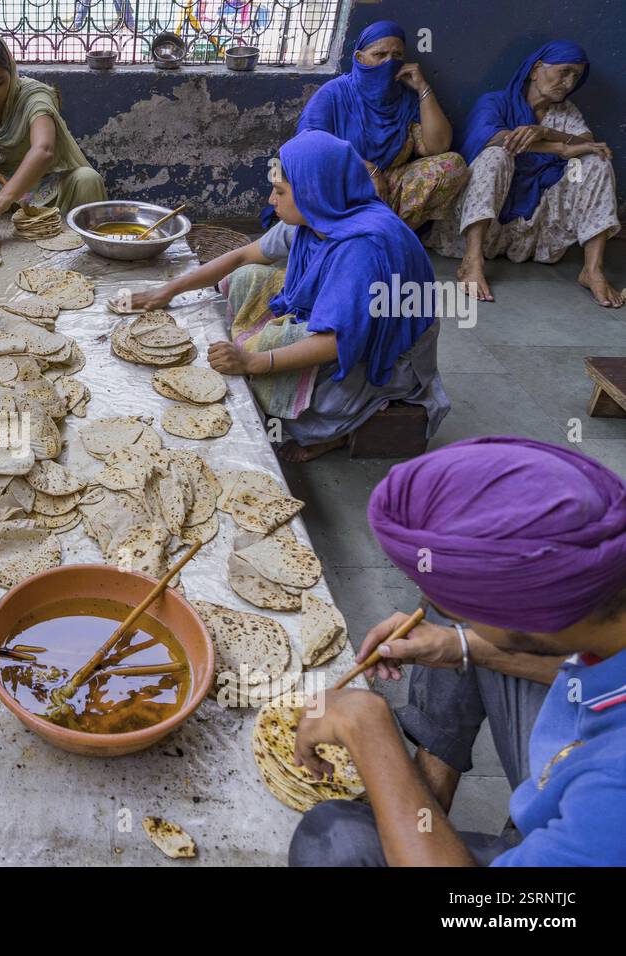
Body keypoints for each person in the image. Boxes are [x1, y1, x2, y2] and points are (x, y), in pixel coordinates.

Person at [289, 437, 626, 866]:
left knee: (336, 839)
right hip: (577, 761)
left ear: (526, 613)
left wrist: (369, 730)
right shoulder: (609, 572)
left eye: (439, 602)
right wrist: (459, 644)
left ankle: (422, 825)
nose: (424, 606)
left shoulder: (615, 791)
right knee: (451, 633)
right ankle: (430, 798)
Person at [194, 131, 450, 462]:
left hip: (385, 353)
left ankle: (342, 425)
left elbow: (335, 342)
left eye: (280, 191)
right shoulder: (324, 212)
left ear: (311, 192)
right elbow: (243, 256)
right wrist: (165, 291)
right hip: (347, 314)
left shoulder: (362, 249)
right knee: (246, 278)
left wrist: (253, 362)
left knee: (273, 354)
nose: (272, 200)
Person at [427, 41, 621, 307]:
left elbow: (586, 141)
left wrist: (546, 132)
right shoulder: (496, 102)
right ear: (536, 69)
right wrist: (558, 148)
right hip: (486, 220)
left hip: (537, 225)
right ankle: (472, 261)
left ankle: (592, 269)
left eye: (575, 76)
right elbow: (496, 138)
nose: (569, 82)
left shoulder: (565, 112)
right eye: (564, 72)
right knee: (496, 154)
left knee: (596, 161)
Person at [297, 20, 466, 231]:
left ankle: (382, 230)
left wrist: (423, 88)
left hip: (389, 189)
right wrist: (367, 169)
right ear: (360, 58)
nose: (389, 62)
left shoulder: (404, 99)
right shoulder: (335, 93)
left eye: (397, 56)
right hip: (342, 183)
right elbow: (307, 142)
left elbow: (437, 146)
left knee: (453, 164)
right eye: (379, 55)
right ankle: (360, 231)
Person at [0, 33, 107, 229]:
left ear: (11, 71)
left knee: (88, 180)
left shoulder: (35, 96)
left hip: (46, 190)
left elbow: (44, 149)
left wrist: (5, 198)